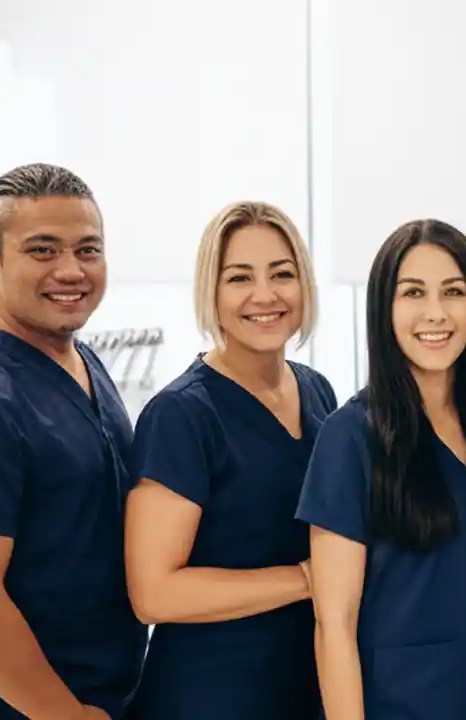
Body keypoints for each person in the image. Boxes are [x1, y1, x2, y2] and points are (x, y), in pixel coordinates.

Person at [0, 163, 146, 719]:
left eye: (88, 250)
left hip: (106, 691)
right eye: (43, 250)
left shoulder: (82, 361)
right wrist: (62, 714)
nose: (70, 270)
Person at [296, 219, 466, 719]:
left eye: (453, 292)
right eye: (413, 293)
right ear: (384, 308)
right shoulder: (350, 437)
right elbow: (333, 623)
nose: (435, 313)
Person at [122, 201, 334, 718]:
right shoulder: (182, 416)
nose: (265, 295)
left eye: (282, 274)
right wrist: (309, 578)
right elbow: (154, 594)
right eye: (240, 278)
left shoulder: (317, 393)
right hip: (211, 694)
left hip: (299, 684)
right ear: (211, 295)